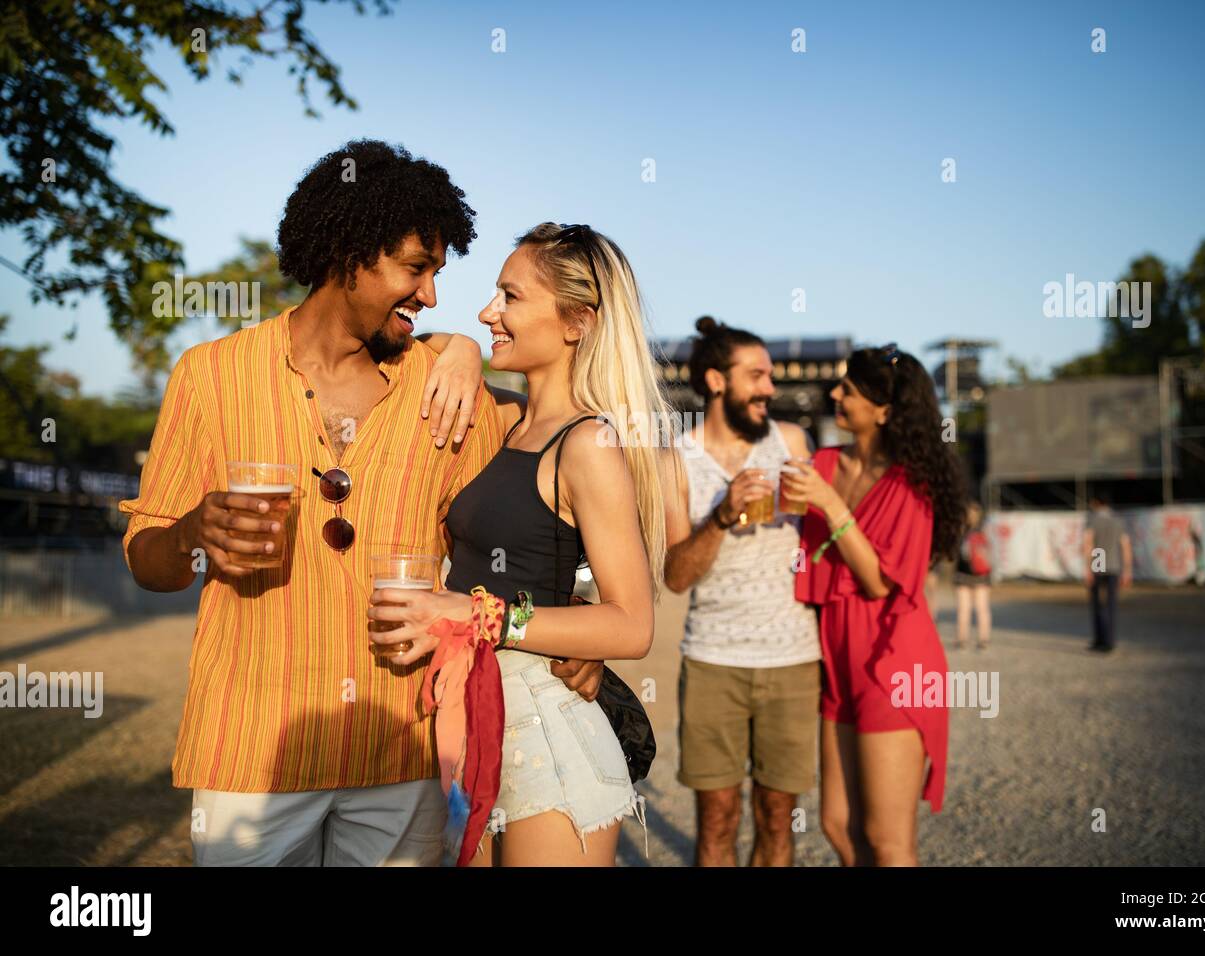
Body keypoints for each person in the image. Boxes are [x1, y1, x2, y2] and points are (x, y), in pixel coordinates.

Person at [118, 140, 599, 866]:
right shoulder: (210, 377)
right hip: (253, 755)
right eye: (416, 268)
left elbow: (508, 540)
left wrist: (570, 634)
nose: (433, 295)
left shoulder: (448, 392)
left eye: (438, 271)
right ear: (348, 253)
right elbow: (149, 562)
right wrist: (192, 532)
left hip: (403, 754)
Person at [367, 223, 672, 866]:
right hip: (478, 721)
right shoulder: (507, 422)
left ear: (576, 322)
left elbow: (632, 624)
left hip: (550, 736)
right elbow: (404, 350)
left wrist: (479, 614)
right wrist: (460, 349)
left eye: (509, 297)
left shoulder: (588, 444)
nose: (487, 313)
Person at [782, 344, 966, 867]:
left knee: (888, 840)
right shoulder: (820, 464)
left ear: (885, 409)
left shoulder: (913, 482)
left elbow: (879, 582)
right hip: (836, 658)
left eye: (850, 388)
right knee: (837, 823)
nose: (835, 394)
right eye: (839, 384)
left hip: (895, 661)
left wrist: (831, 504)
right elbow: (787, 547)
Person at [662, 317, 821, 867]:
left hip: (794, 657)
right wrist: (723, 514)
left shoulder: (792, 441)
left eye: (771, 376)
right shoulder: (675, 460)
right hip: (712, 660)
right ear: (715, 381)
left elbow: (825, 539)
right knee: (718, 819)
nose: (770, 389)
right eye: (756, 376)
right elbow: (677, 575)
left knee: (779, 816)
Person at [1083, 489, 1132, 653]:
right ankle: (1110, 640)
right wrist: (1127, 570)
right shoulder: (1118, 520)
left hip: (1099, 560)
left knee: (1098, 603)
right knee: (1110, 604)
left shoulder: (1093, 519)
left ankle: (1100, 639)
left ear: (1096, 503)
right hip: (1114, 563)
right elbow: (1125, 546)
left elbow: (1088, 544)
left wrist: (1088, 569)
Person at [954, 501, 993, 650]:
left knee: (966, 608)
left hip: (963, 574)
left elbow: (957, 554)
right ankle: (983, 639)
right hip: (981, 575)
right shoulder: (986, 530)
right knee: (981, 608)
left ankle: (962, 639)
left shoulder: (960, 530)